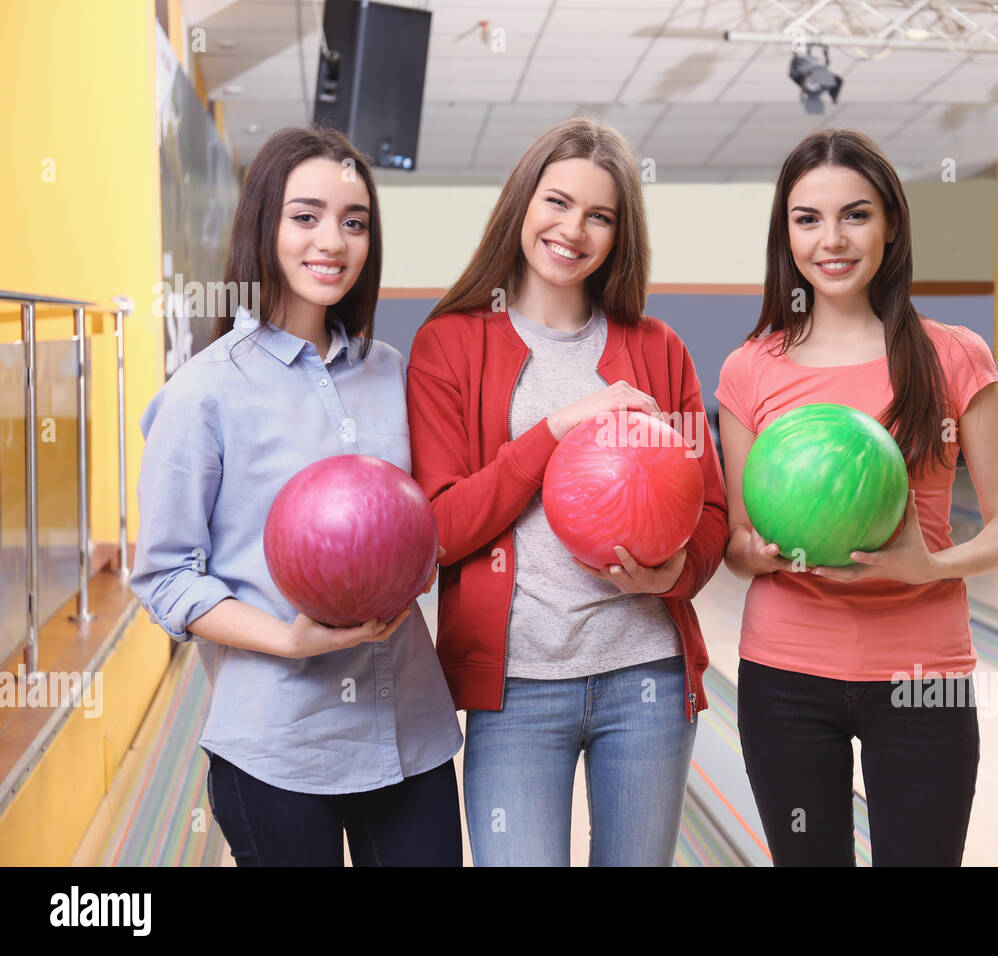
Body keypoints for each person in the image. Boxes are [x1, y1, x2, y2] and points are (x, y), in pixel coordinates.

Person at [130, 126, 464, 866]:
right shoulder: (204, 394)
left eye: (355, 221)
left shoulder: (389, 371)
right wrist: (289, 637)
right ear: (264, 225)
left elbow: (427, 520)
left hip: (409, 734)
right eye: (306, 216)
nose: (334, 242)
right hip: (279, 748)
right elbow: (165, 576)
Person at [407, 116, 728, 866]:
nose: (573, 229)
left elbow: (709, 513)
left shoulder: (658, 348)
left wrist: (675, 573)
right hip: (517, 686)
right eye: (557, 202)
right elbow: (440, 529)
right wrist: (556, 429)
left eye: (600, 216)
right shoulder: (450, 342)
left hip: (644, 673)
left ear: (620, 234)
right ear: (522, 202)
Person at [714, 129, 998, 866]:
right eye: (808, 218)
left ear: (890, 224)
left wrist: (928, 567)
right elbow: (734, 544)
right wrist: (755, 552)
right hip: (785, 678)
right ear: (785, 232)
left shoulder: (955, 354)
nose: (832, 239)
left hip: (925, 677)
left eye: (855, 215)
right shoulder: (749, 369)